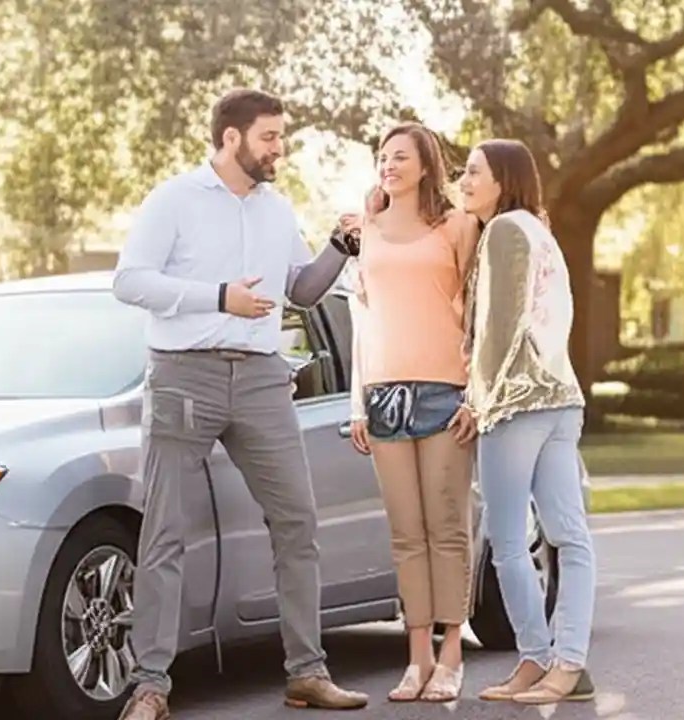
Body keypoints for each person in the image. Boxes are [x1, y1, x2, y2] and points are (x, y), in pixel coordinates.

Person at [111, 88, 368, 719]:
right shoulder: (175, 199)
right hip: (183, 376)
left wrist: (339, 245)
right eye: (270, 137)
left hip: (260, 379)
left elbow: (301, 292)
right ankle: (150, 686)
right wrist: (217, 297)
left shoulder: (278, 209)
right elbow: (129, 281)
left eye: (281, 136)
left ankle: (307, 672)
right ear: (232, 139)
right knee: (164, 533)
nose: (280, 148)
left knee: (297, 522)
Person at [343, 122, 480, 703]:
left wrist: (476, 394)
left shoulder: (458, 225)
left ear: (426, 166)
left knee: (446, 528)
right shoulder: (365, 230)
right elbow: (359, 318)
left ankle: (452, 655)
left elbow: (478, 315)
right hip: (384, 395)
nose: (388, 165)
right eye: (381, 157)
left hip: (445, 391)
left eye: (400, 157)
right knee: (406, 534)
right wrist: (357, 404)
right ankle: (417, 656)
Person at [458, 138, 597, 704]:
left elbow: (500, 327)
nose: (462, 180)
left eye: (472, 171)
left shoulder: (507, 231)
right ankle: (561, 665)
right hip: (559, 400)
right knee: (568, 535)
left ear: (503, 179)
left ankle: (542, 659)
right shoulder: (539, 230)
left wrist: (478, 400)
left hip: (517, 404)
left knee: (509, 540)